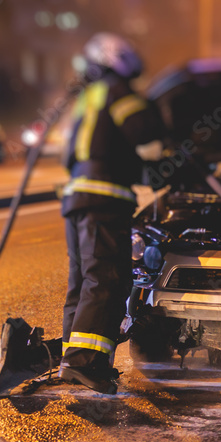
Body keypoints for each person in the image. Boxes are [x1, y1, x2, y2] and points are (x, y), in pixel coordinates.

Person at [58, 34, 165, 393]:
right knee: (106, 278)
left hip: (78, 197)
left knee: (85, 280)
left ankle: (74, 359)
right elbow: (143, 128)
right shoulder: (116, 90)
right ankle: (83, 363)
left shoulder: (89, 96)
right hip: (103, 200)